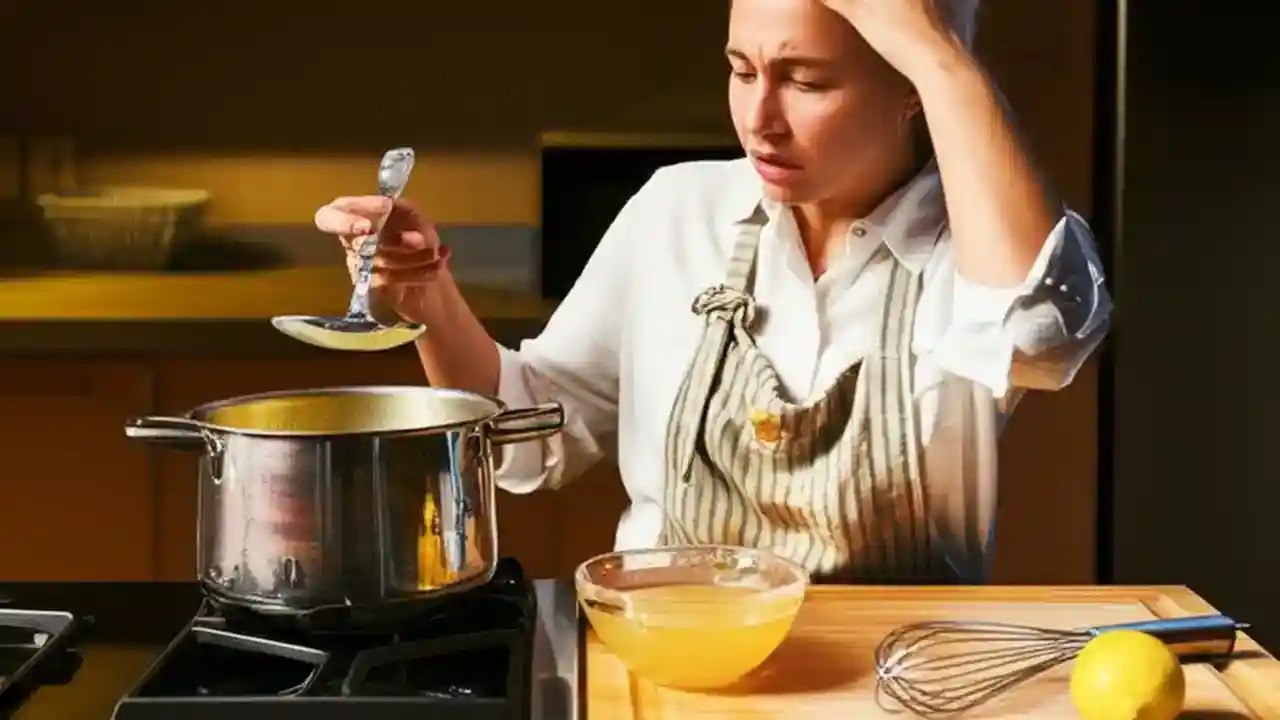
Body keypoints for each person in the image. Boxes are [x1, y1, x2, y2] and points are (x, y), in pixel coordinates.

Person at [314, 0, 1111, 584]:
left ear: (911, 88)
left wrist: (946, 61)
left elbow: (1042, 339)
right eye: (741, 70)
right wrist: (427, 298)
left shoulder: (976, 247)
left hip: (897, 674)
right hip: (674, 658)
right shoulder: (677, 209)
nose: (759, 118)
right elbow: (527, 441)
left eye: (806, 81)